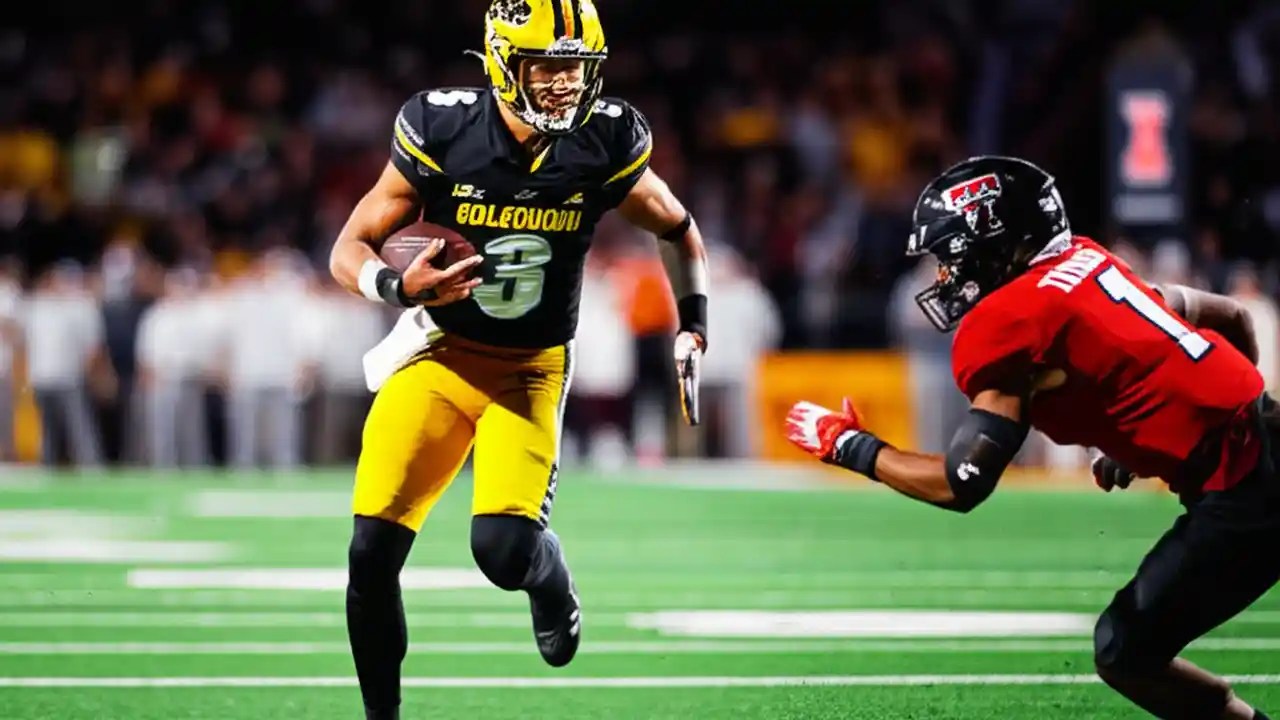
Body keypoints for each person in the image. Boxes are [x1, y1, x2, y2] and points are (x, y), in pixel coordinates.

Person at [785, 156, 1276, 720]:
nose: (945, 276)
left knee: (1125, 650)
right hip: (1269, 434)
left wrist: (850, 446)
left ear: (1000, 242)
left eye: (952, 256)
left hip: (1244, 490)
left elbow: (961, 481)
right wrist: (1183, 425)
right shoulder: (1091, 260)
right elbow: (1231, 317)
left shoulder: (1011, 322)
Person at [327, 2, 709, 718]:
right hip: (439, 356)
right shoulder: (442, 129)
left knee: (502, 551)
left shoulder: (605, 139)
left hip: (529, 368)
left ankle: (547, 572)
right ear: (503, 64)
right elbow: (348, 247)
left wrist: (693, 325)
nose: (565, 84)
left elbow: (677, 227)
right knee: (370, 553)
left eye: (577, 69)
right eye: (547, 67)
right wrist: (396, 286)